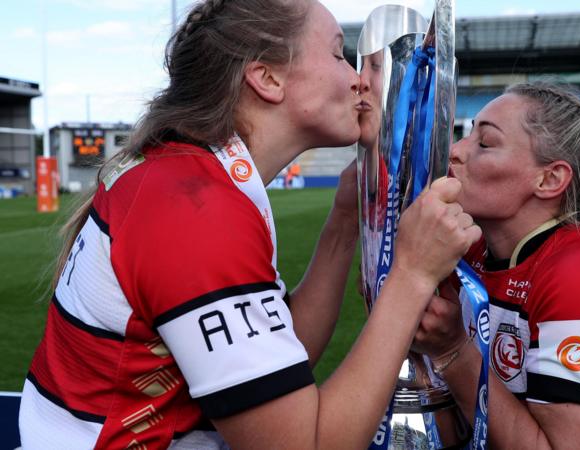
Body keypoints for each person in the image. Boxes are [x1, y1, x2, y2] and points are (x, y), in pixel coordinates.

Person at [18, 1, 481, 449]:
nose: (359, 79)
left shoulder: (188, 179)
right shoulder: (195, 211)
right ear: (267, 77)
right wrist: (413, 274)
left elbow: (277, 360)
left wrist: (344, 221)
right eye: (339, 53)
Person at [412, 84, 580, 449]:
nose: (455, 151)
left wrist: (451, 350)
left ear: (549, 179)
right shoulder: (474, 251)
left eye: (484, 143)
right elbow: (455, 419)